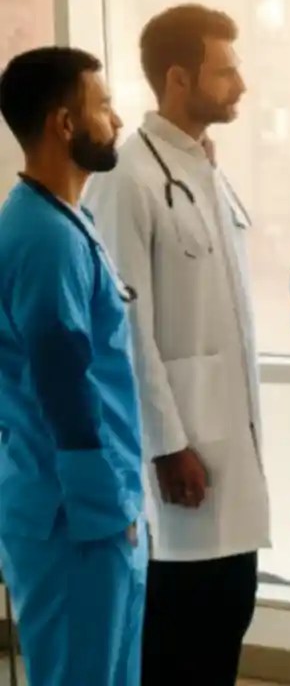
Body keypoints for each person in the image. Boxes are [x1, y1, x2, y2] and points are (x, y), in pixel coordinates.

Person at [84, 4, 270, 686]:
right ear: (178, 78)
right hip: (181, 456)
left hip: (229, 444)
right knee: (179, 641)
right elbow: (127, 326)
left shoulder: (204, 169)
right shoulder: (127, 177)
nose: (240, 85)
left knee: (228, 617)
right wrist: (167, 443)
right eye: (225, 72)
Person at [0, 46, 142, 685]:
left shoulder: (68, 221)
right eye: (103, 107)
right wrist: (107, 505)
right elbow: (63, 382)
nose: (115, 121)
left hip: (91, 508)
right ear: (64, 124)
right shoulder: (46, 240)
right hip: (75, 519)